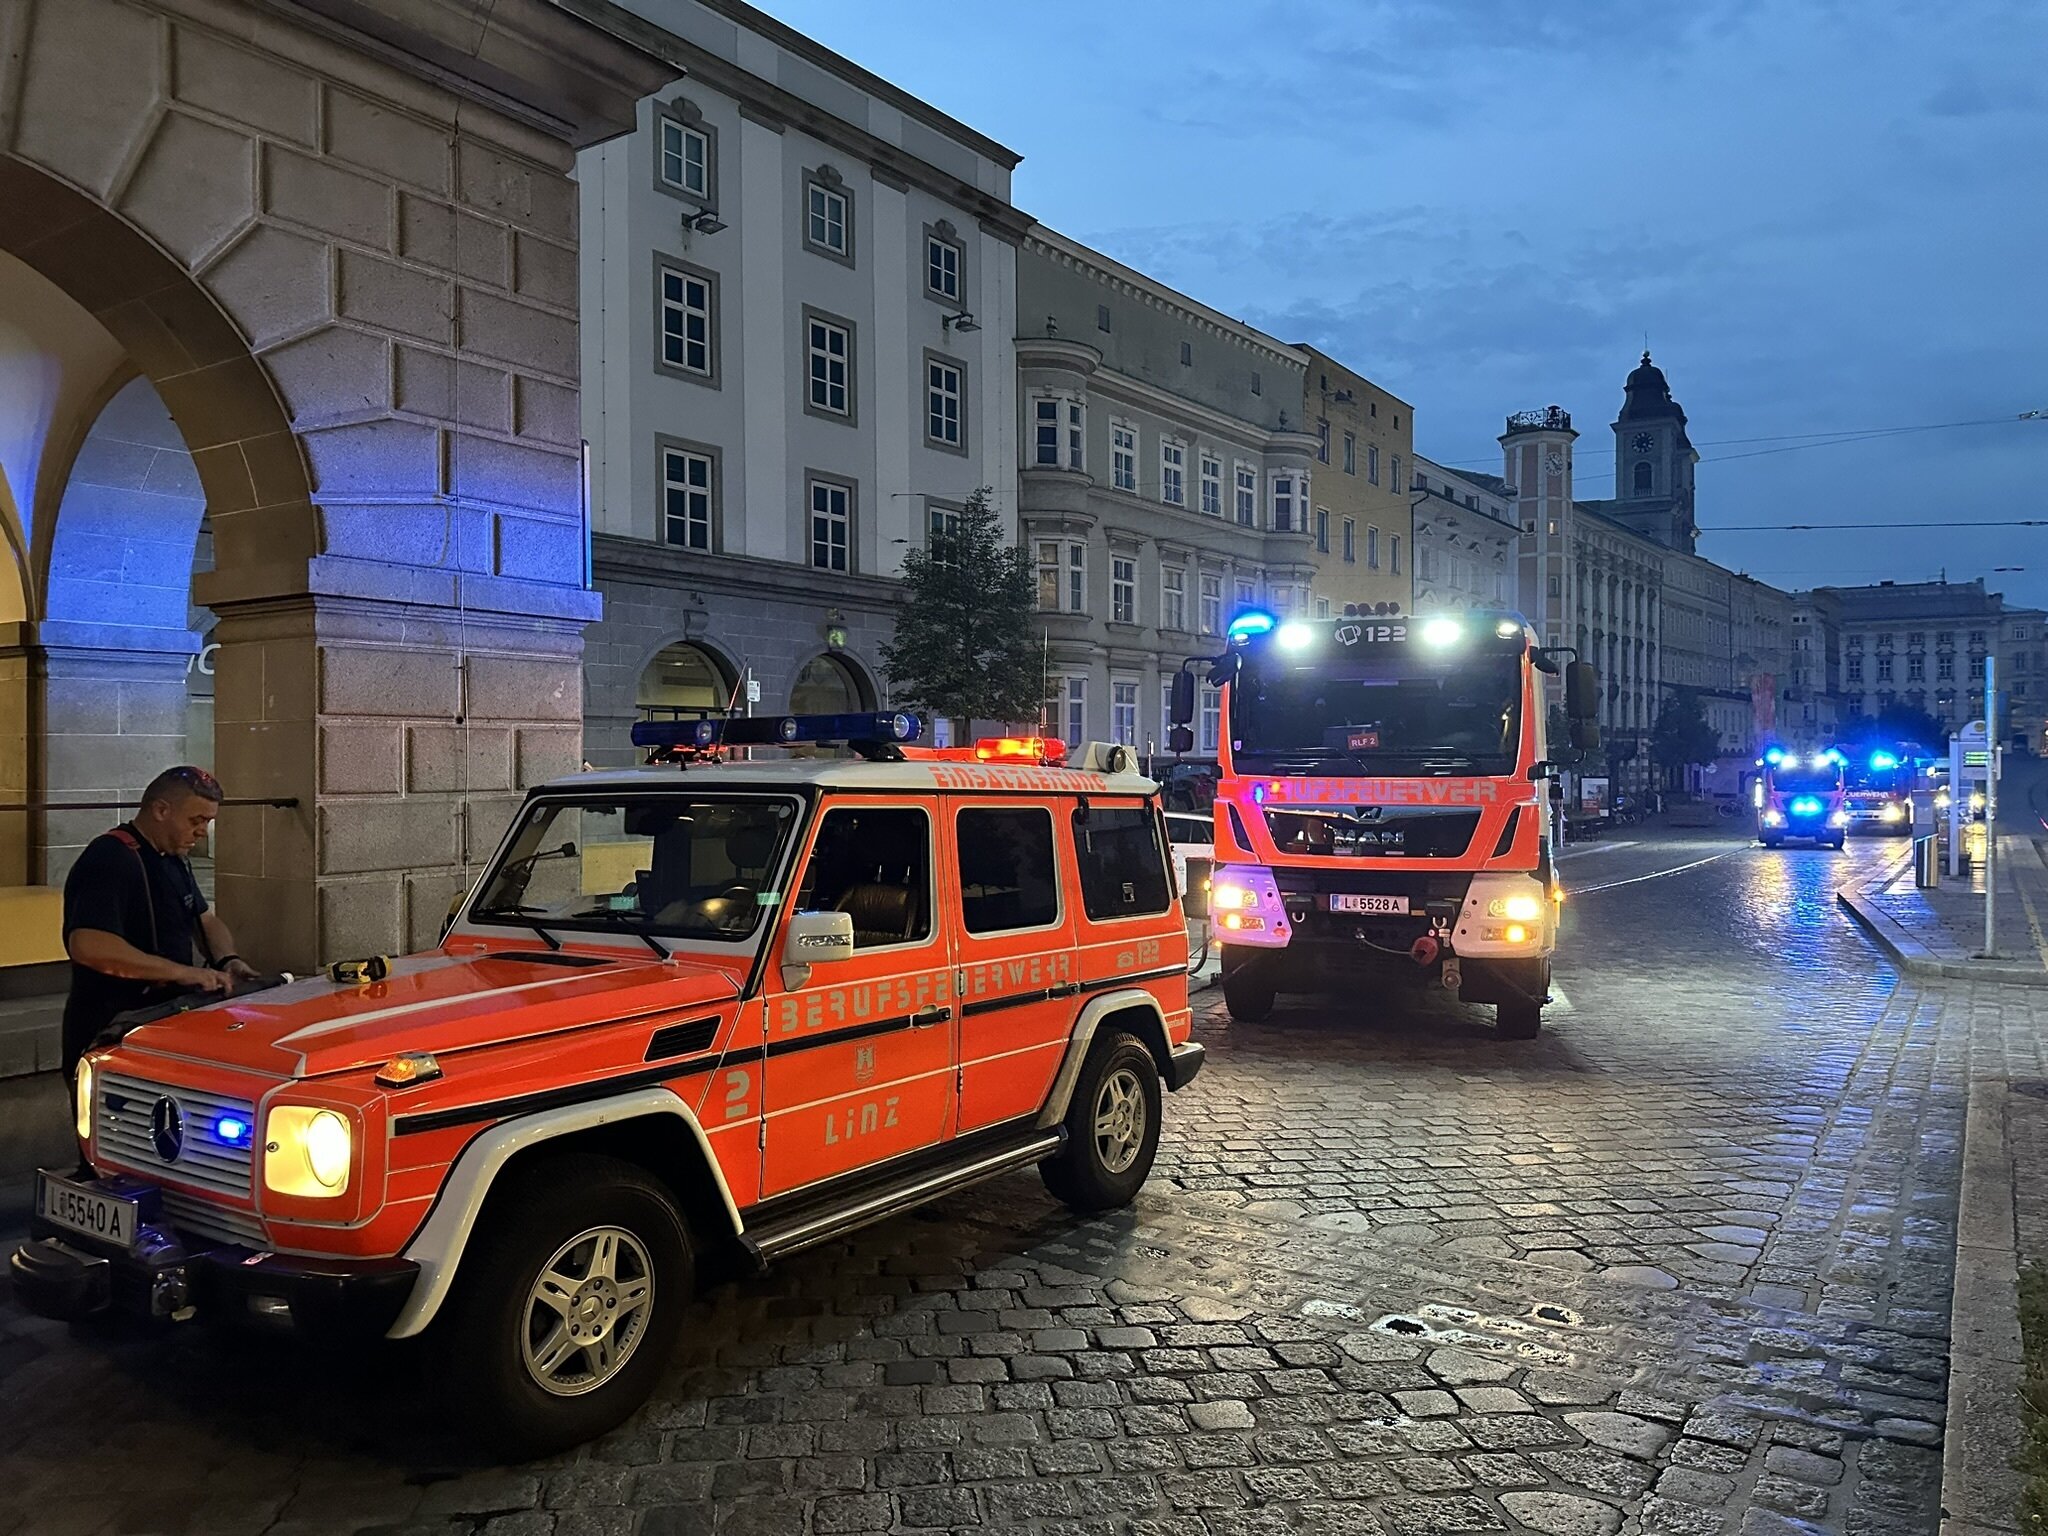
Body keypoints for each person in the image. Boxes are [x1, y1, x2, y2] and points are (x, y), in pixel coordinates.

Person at [60, 765, 258, 1081]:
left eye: (207, 822)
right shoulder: (110, 857)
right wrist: (183, 972)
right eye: (196, 821)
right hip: (110, 1027)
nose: (201, 832)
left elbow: (204, 919)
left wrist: (227, 959)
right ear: (161, 810)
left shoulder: (175, 859)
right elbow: (89, 945)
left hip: (160, 1022)